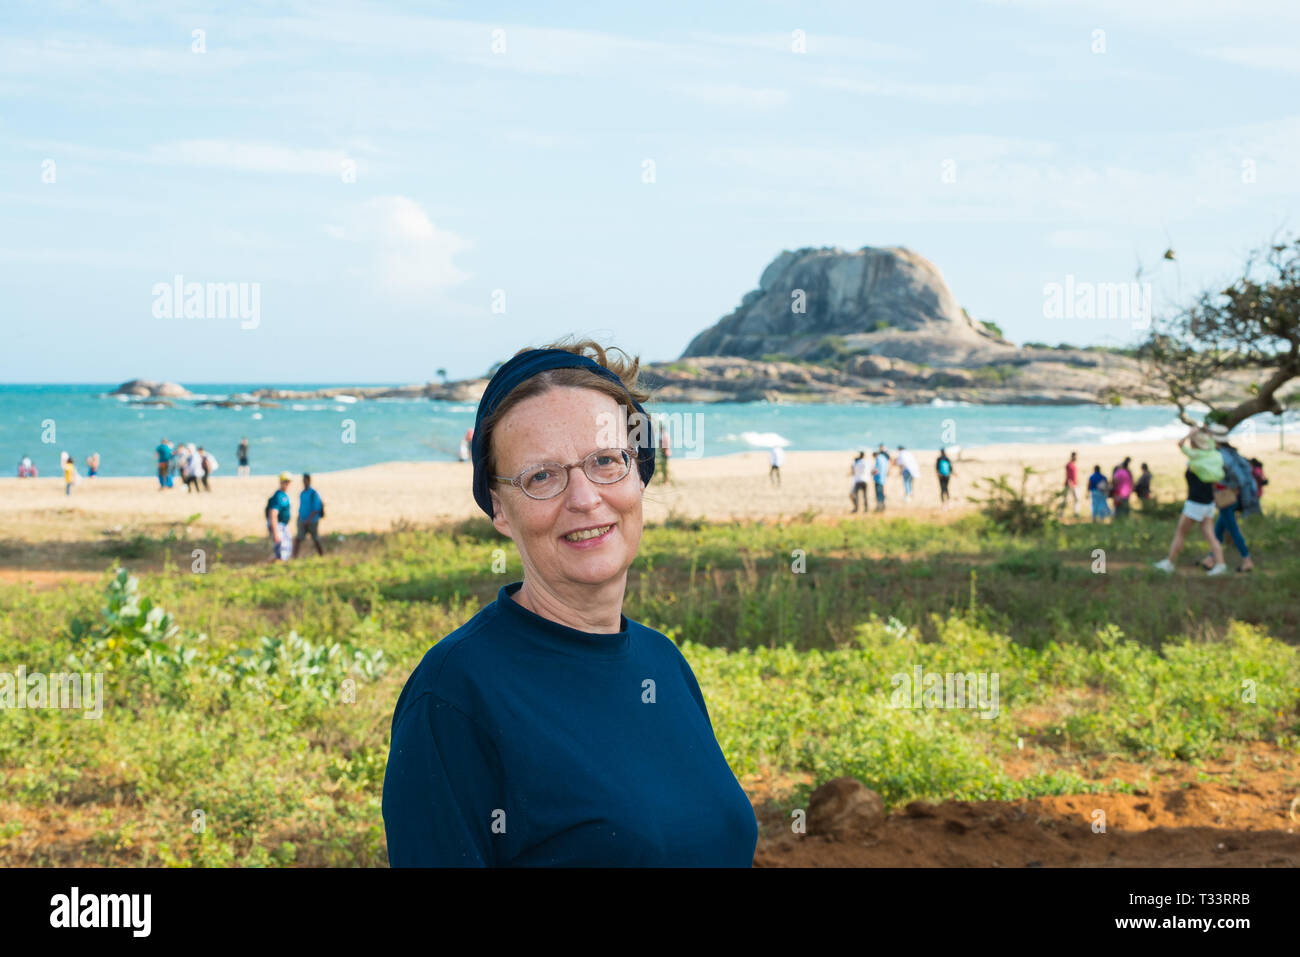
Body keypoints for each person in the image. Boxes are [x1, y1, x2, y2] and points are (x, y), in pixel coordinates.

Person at [382, 340, 758, 866]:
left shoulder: (664, 663)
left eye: (606, 461)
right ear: (500, 508)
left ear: (639, 474)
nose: (583, 498)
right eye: (542, 476)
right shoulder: (454, 696)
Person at [1154, 426, 1227, 575]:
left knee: (1181, 533)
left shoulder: (1196, 458)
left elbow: (1180, 444)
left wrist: (1189, 434)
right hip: (1208, 503)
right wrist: (1205, 432)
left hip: (1195, 503)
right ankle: (1220, 564)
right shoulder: (1214, 456)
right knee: (1210, 535)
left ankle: (1170, 563)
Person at [1202, 425, 1260, 573]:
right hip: (1233, 497)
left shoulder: (1222, 455)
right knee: (1220, 528)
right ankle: (1211, 558)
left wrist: (1225, 486)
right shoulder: (1231, 453)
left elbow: (1235, 478)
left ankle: (1247, 560)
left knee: (1233, 530)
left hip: (1227, 497)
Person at [294, 473, 325, 558]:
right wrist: (300, 518)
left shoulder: (314, 493)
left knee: (315, 539)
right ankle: (294, 556)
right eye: (303, 480)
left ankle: (322, 555)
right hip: (302, 520)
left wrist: (308, 520)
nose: (304, 482)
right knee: (298, 539)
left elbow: (316, 509)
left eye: (306, 480)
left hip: (312, 521)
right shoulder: (302, 493)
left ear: (309, 481)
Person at [266, 472, 294, 562]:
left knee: (286, 550)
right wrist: (275, 533)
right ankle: (270, 566)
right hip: (278, 526)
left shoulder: (284, 495)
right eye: (285, 482)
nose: (287, 484)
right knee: (281, 552)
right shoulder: (278, 496)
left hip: (283, 526)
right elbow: (273, 514)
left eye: (289, 482)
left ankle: (269, 564)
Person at [1059, 451, 1079, 518]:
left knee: (1076, 499)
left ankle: (1076, 513)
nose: (1076, 458)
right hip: (1069, 484)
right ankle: (1061, 514)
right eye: (1075, 456)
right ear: (1072, 456)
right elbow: (1068, 475)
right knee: (1065, 500)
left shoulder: (1073, 465)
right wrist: (1070, 483)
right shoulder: (1069, 465)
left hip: (1074, 484)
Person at [872, 444, 890, 512]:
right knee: (882, 493)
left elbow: (876, 469)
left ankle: (879, 507)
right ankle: (883, 506)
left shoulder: (878, 458)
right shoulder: (885, 458)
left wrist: (871, 472)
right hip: (883, 478)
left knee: (879, 493)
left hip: (878, 478)